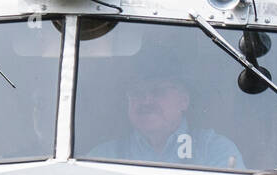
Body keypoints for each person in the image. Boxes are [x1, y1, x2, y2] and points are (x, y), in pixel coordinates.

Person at [86, 59, 243, 168]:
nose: (146, 101)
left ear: (184, 101)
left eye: (158, 91)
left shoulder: (215, 150)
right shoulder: (103, 156)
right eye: (137, 93)